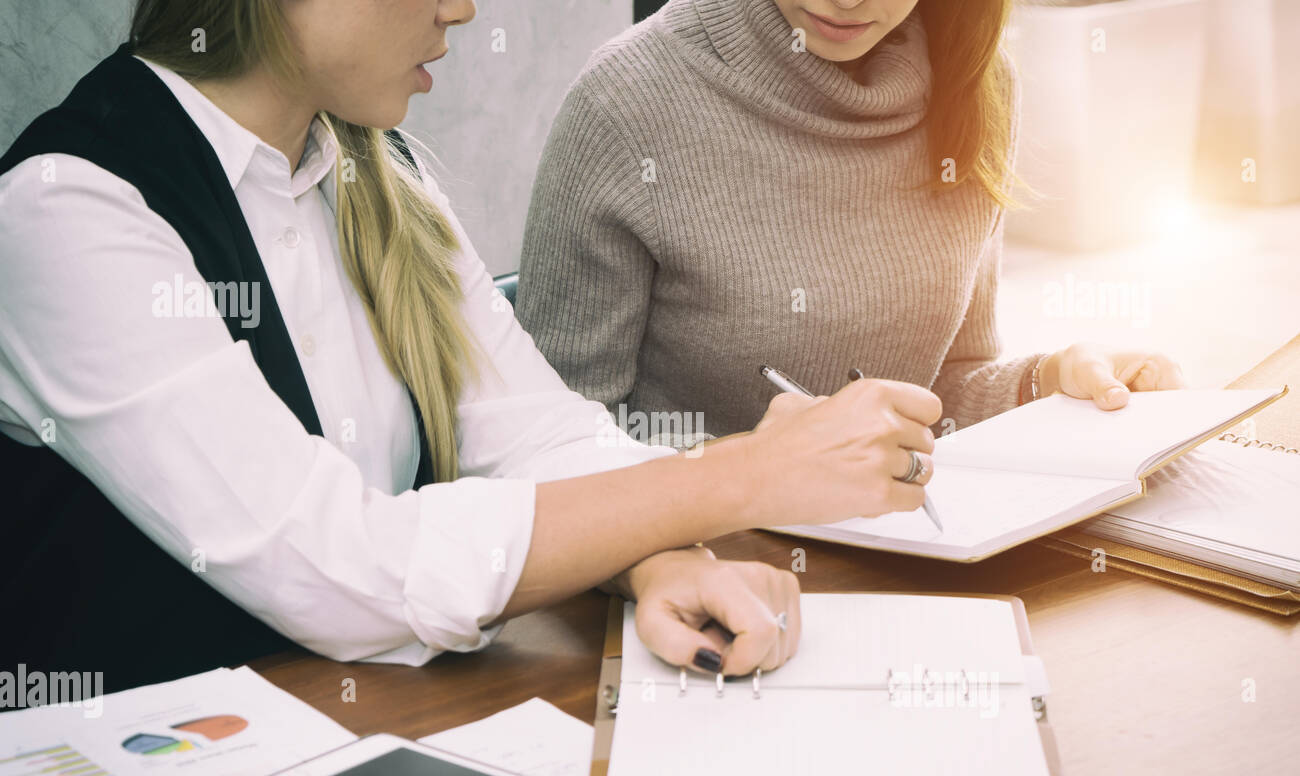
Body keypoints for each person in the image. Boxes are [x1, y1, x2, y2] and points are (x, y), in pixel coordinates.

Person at [0, 0, 944, 698]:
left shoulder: (380, 172)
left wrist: (662, 562)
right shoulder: (64, 209)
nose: (463, 8)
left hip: (347, 746)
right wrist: (738, 476)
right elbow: (343, 572)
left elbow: (537, 436)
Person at [516, 0, 1186, 445]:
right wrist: (751, 476)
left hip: (906, 567)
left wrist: (1045, 383)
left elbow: (939, 389)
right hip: (699, 582)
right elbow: (551, 448)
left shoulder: (975, 82)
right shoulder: (626, 103)